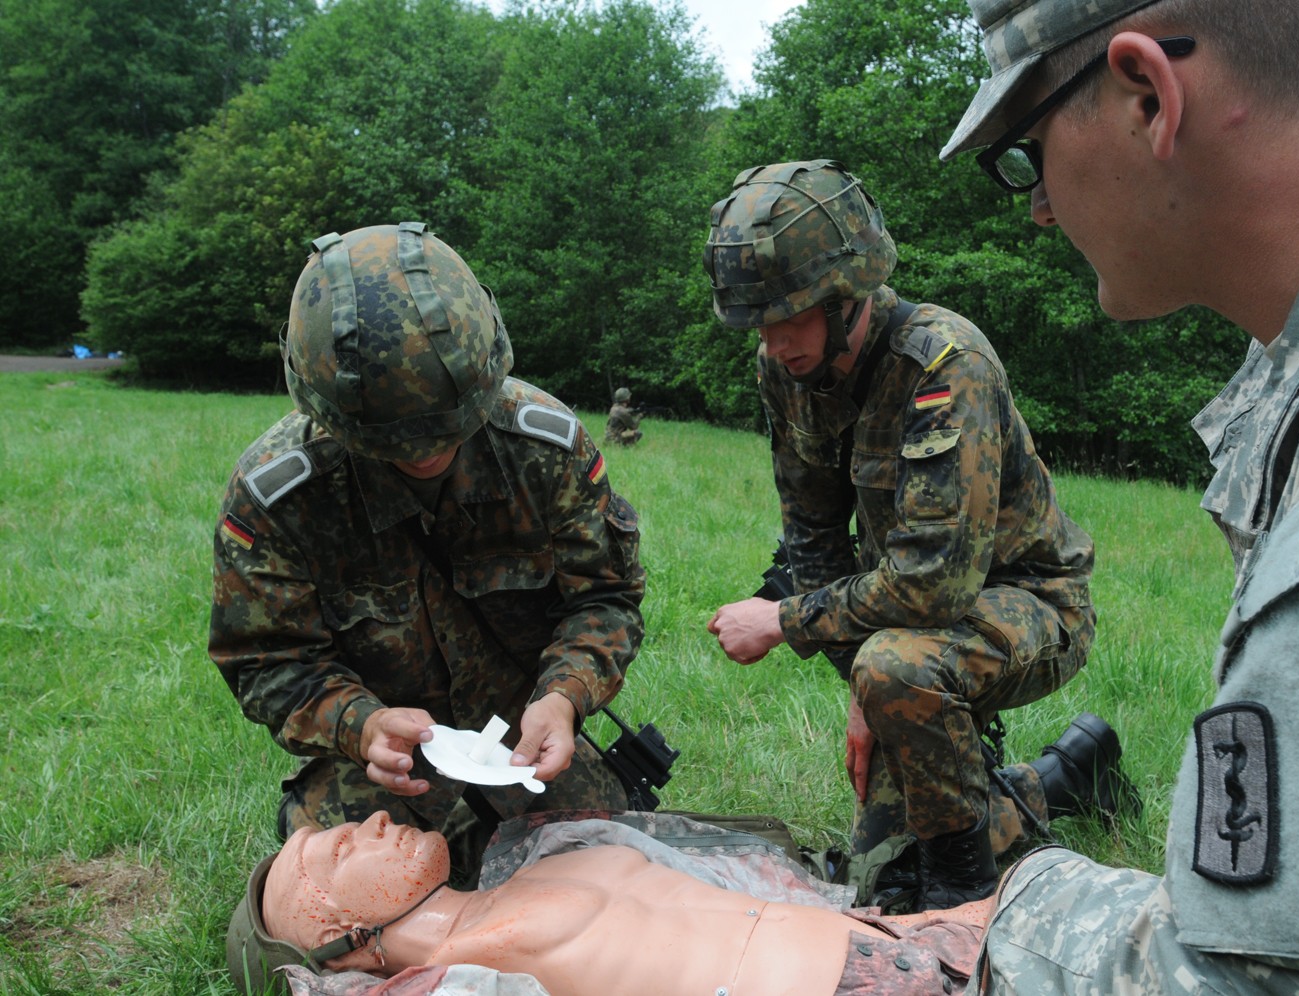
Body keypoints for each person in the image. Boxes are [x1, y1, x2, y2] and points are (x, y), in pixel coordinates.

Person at [938, 0, 1299, 990]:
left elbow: (1263, 982)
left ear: (1150, 94)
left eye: (1028, 152)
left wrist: (1006, 907)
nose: (1038, 208)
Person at [701, 160, 1139, 912]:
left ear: (847, 297)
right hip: (908, 634)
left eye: (786, 319)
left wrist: (786, 624)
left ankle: (961, 891)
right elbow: (812, 538)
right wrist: (862, 684)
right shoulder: (789, 371)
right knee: (879, 871)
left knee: (909, 880)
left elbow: (934, 581)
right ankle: (1069, 774)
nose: (771, 344)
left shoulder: (944, 365)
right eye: (759, 326)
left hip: (1031, 605)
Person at [209, 222, 646, 888]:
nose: (423, 453)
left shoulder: (544, 450)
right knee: (340, 902)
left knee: (609, 878)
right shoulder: (279, 497)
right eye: (391, 441)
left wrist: (563, 698)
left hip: (522, 747)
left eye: (446, 424)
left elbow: (605, 600)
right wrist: (360, 725)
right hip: (386, 762)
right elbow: (266, 660)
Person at [226, 811, 990, 996]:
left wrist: (939, 923)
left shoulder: (541, 856)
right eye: (338, 848)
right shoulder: (453, 977)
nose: (372, 822)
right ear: (341, 935)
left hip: (926, 941)